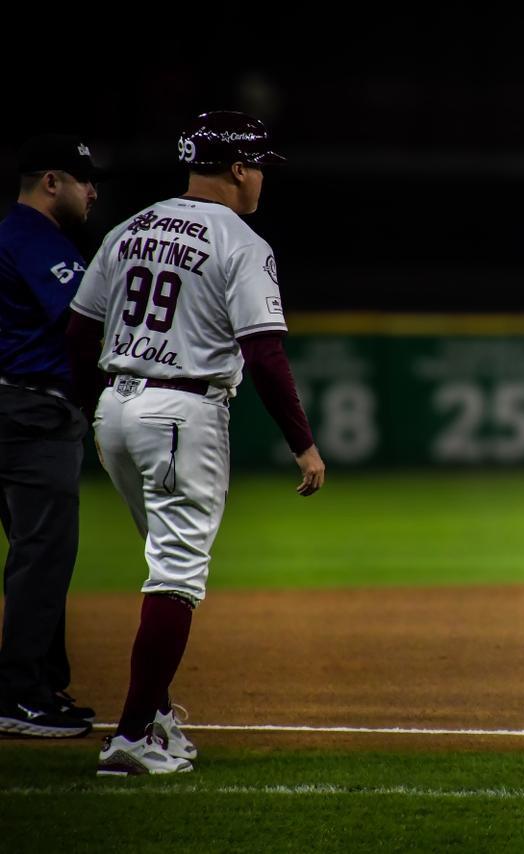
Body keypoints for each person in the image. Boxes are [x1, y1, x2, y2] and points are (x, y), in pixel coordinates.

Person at [65, 111, 327, 775]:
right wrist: (303, 444)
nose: (261, 177)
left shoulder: (129, 228)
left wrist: (91, 408)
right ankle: (131, 737)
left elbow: (79, 333)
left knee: (162, 563)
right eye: (258, 165)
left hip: (116, 409)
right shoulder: (241, 241)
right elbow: (264, 354)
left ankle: (154, 719)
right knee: (177, 574)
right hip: (183, 411)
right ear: (238, 168)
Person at [0, 135, 104, 738]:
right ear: (50, 182)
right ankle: (20, 694)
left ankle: (39, 684)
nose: (93, 191)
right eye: (83, 179)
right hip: (33, 412)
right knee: (43, 553)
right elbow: (82, 322)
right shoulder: (34, 238)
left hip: (17, 408)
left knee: (36, 551)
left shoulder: (10, 236)